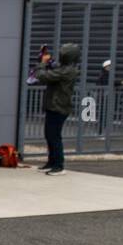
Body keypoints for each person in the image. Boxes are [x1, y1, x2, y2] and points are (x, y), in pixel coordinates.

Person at [33, 43, 80, 176]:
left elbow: (42, 76)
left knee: (54, 137)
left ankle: (59, 165)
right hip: (53, 106)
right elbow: (53, 69)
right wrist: (47, 60)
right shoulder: (65, 68)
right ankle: (52, 162)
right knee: (49, 135)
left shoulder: (67, 71)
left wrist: (42, 63)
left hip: (59, 107)